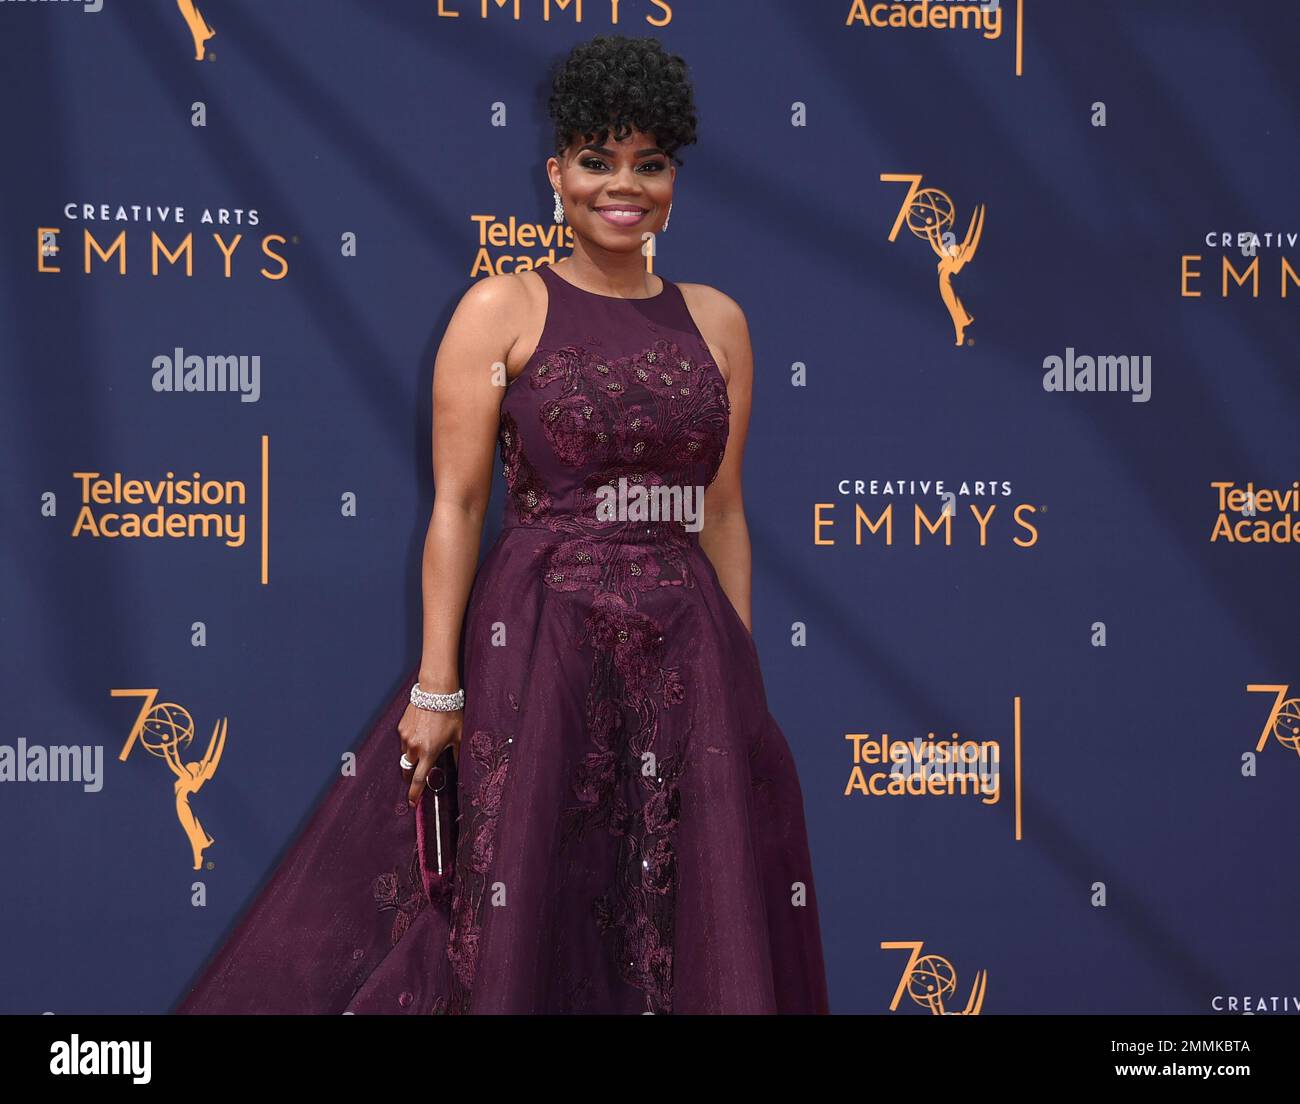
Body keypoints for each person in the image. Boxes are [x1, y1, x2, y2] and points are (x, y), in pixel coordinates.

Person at [175, 33, 829, 1015]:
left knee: (681, 918)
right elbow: (459, 506)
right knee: (523, 910)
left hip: (688, 656)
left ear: (673, 179)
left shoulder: (718, 322)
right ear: (556, 170)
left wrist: (739, 676)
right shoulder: (501, 308)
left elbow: (721, 510)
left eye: (649, 164)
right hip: (542, 644)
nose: (625, 185)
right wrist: (438, 686)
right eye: (598, 161)